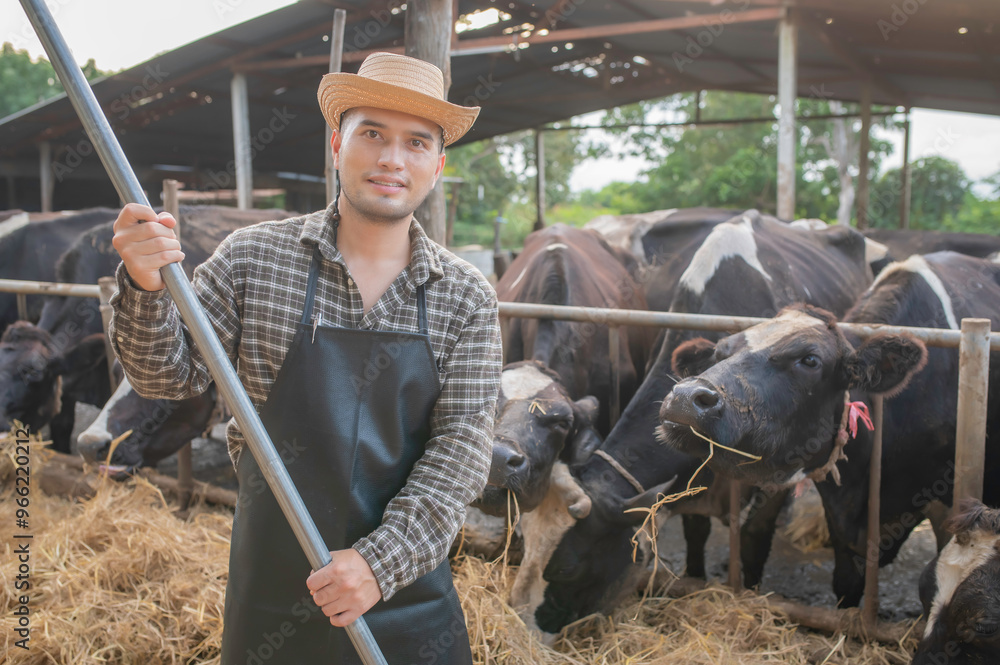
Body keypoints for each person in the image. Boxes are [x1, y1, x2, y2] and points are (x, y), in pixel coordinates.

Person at [108, 52, 502, 664]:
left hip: (404, 594)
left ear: (438, 164)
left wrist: (377, 563)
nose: (392, 159)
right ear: (336, 143)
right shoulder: (254, 259)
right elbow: (165, 375)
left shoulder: (465, 296)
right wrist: (144, 283)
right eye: (372, 133)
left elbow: (461, 450)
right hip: (275, 584)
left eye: (416, 143)